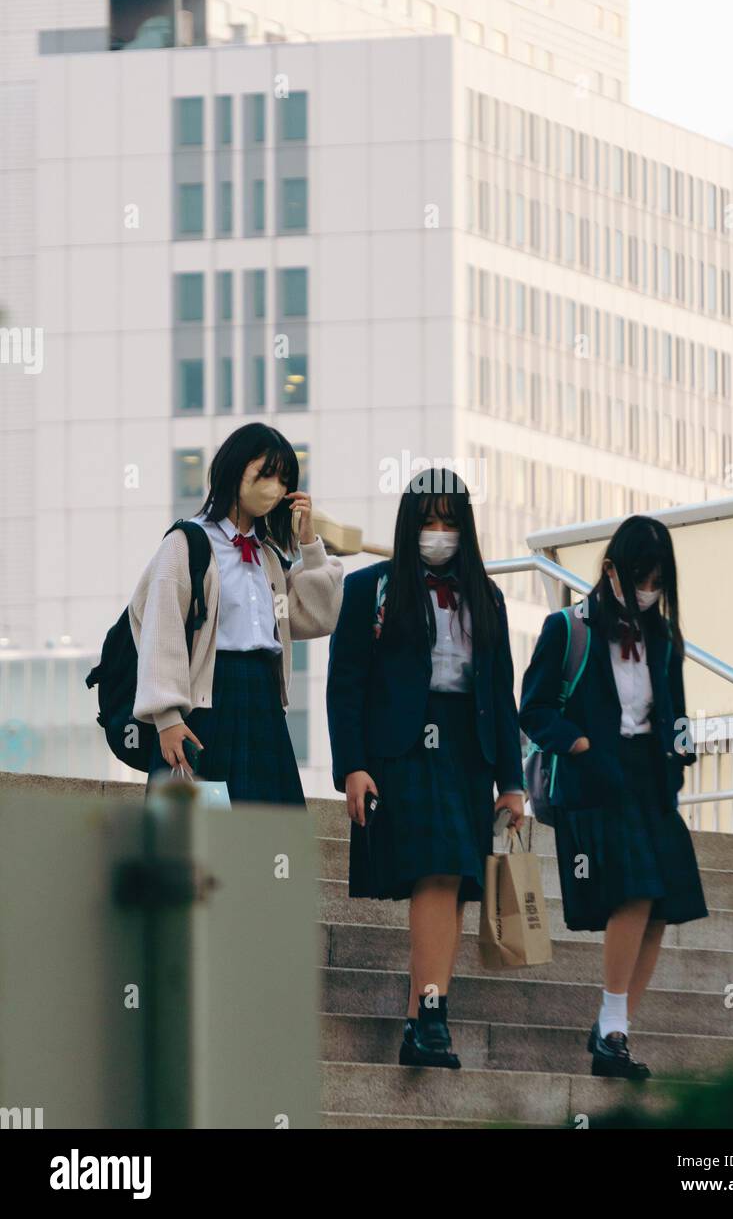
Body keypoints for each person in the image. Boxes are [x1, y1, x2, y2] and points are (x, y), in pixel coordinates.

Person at [326, 470, 525, 1069]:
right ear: (410, 525)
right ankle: (432, 1014)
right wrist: (352, 767)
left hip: (469, 748)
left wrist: (512, 781)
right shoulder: (371, 588)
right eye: (428, 521)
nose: (439, 533)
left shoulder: (486, 595)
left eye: (450, 521)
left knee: (456, 879)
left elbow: (502, 689)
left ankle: (422, 1020)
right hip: (402, 748)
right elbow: (345, 683)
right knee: (437, 868)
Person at [519, 515, 707, 1079]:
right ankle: (612, 1029)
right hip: (597, 778)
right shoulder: (569, 627)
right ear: (610, 571)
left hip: (651, 781)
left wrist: (682, 751)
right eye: (640, 576)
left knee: (663, 906)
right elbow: (532, 707)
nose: (649, 589)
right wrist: (575, 742)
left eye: (657, 579)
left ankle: (612, 1028)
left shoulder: (665, 637)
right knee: (635, 894)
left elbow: (672, 709)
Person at [130, 422, 343, 805]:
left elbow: (319, 616)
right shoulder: (187, 543)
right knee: (201, 847)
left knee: (269, 842)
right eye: (265, 474)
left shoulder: (269, 556)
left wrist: (309, 542)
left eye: (283, 479)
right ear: (234, 469)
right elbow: (160, 628)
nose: (274, 487)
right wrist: (168, 718)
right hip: (209, 706)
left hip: (264, 704)